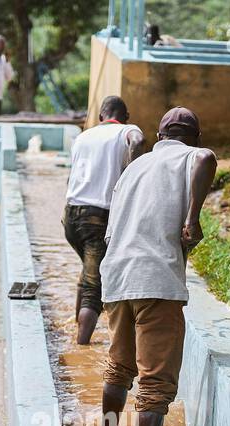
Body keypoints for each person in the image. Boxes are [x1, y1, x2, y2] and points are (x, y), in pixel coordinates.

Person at [98, 106, 216, 426]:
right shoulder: (194, 156)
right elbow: (207, 159)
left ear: (160, 136)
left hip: (117, 278)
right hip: (156, 282)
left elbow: (110, 230)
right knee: (155, 383)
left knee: (118, 368)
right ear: (193, 137)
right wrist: (193, 218)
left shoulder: (133, 168)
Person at [63, 95, 144, 344]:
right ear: (125, 117)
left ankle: (75, 329)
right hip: (98, 217)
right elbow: (138, 140)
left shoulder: (83, 136)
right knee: (93, 288)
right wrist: (131, 172)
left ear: (100, 117)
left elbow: (72, 176)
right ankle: (81, 346)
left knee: (87, 275)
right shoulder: (127, 130)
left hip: (71, 215)